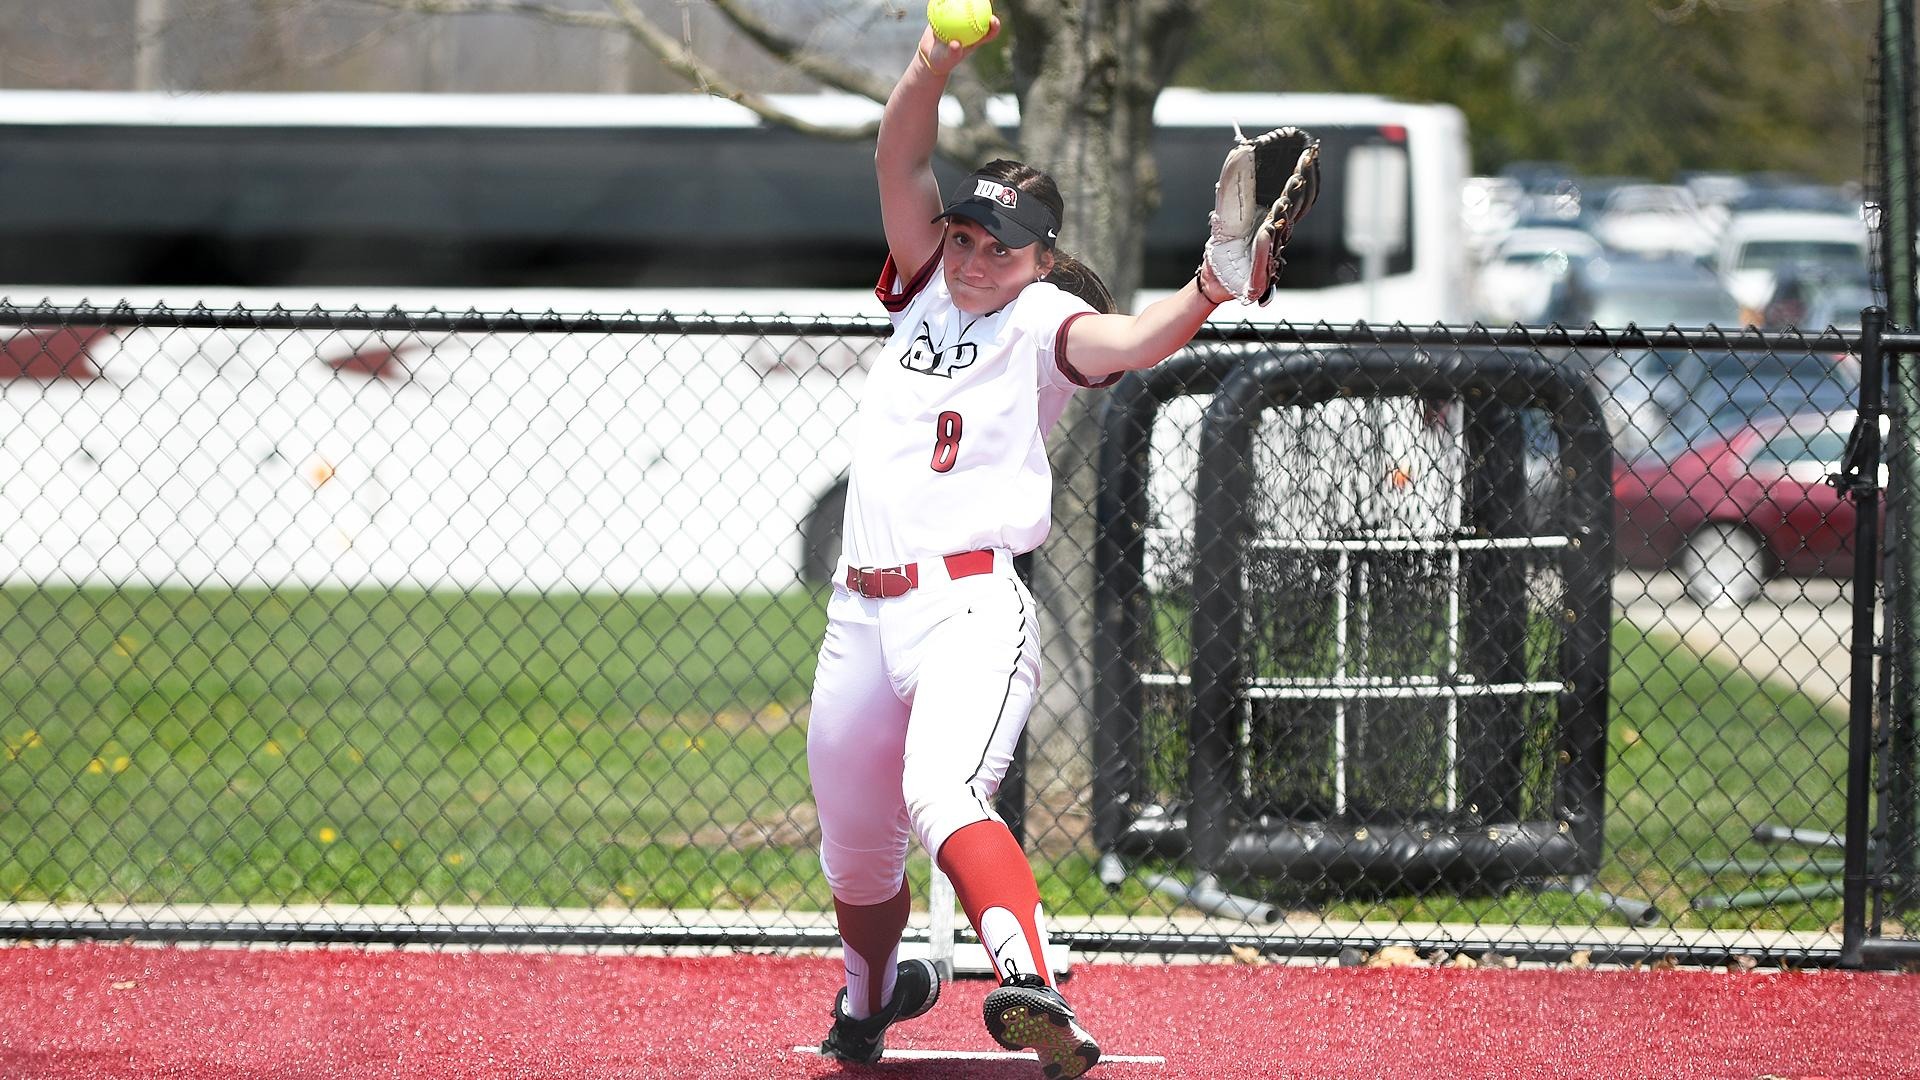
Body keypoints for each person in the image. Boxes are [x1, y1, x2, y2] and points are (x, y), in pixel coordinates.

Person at [807, 18, 1237, 1079]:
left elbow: (1133, 342)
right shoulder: (922, 288)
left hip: (967, 609)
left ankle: (1028, 977)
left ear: (1042, 258)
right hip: (860, 615)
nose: (976, 257)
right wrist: (931, 61)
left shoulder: (1043, 318)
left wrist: (1213, 285)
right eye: (965, 236)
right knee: (856, 857)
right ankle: (875, 995)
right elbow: (899, 157)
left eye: (1002, 247)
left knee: (943, 789)